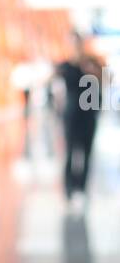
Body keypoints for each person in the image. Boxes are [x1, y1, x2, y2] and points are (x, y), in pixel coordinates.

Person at [54, 31, 103, 206]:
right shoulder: (65, 66)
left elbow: (107, 78)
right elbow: (54, 85)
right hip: (72, 116)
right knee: (70, 152)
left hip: (89, 115)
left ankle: (81, 188)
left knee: (87, 153)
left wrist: (93, 71)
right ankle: (69, 189)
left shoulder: (92, 63)